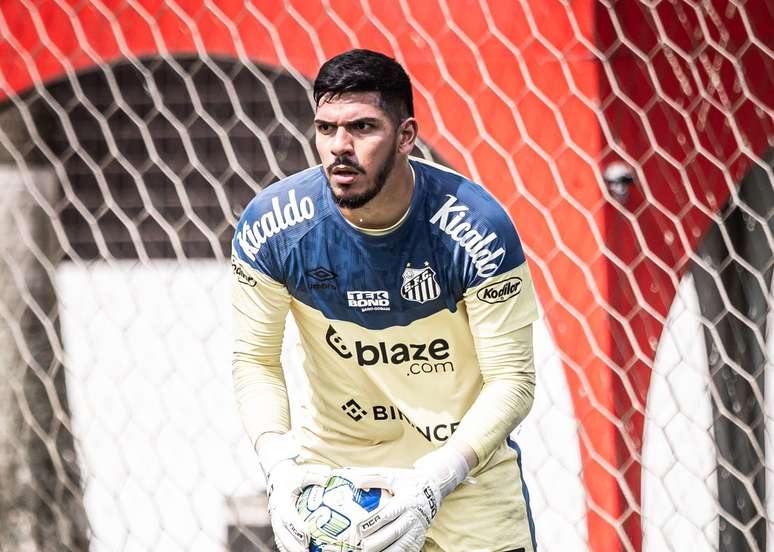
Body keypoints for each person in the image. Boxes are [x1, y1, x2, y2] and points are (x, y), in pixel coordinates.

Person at [231, 49, 539, 552]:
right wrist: (281, 469)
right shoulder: (274, 227)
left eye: (363, 128)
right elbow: (255, 361)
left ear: (406, 136)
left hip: (464, 473)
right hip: (339, 482)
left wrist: (438, 478)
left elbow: (513, 380)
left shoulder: (476, 227)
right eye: (326, 129)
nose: (339, 148)